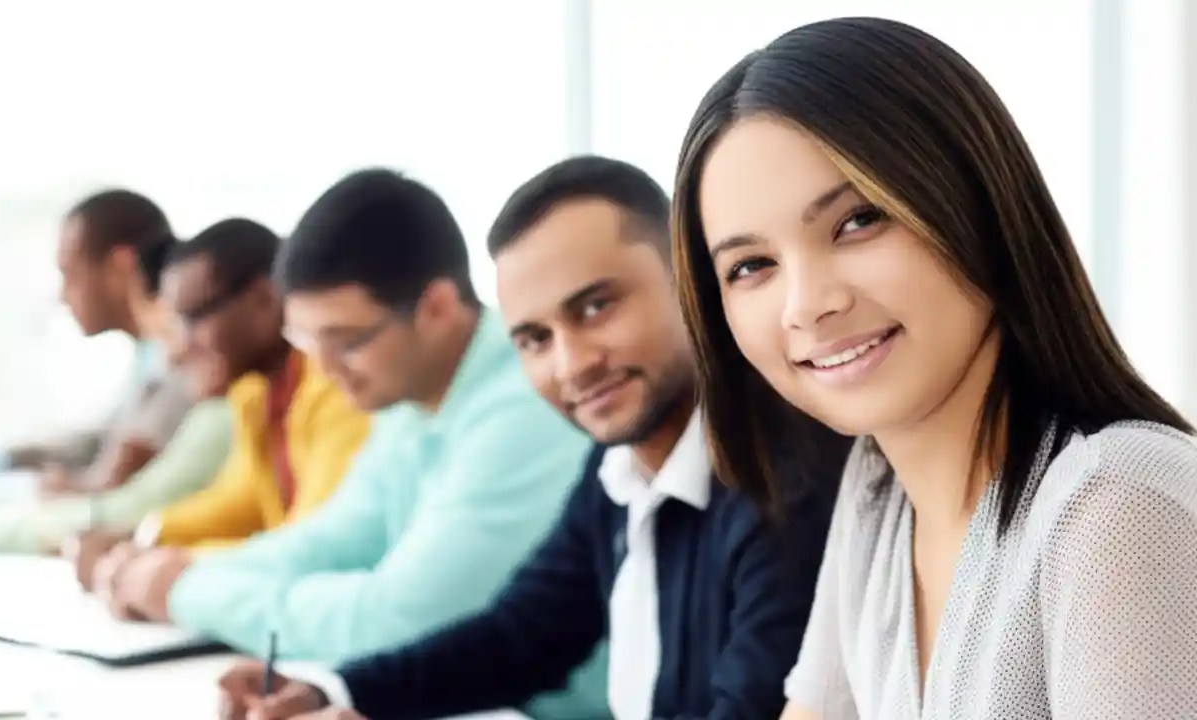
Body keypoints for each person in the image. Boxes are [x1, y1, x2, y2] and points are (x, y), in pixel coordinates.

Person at [670, 17, 1197, 720]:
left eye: (857, 221)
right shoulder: (878, 491)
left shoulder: (1116, 505)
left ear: (975, 201)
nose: (808, 305)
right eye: (752, 266)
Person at [217, 157, 849, 720]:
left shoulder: (786, 480)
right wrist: (334, 691)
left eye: (596, 307)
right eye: (535, 339)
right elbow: (522, 637)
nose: (571, 365)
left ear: (692, 281)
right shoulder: (619, 463)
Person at [93, 170, 592, 671]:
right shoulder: (408, 401)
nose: (326, 373)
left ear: (437, 308)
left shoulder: (522, 408)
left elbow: (396, 618)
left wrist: (186, 592)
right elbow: (334, 538)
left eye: (347, 342)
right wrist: (181, 569)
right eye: (310, 344)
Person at [80, 218, 370, 604]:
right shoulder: (256, 396)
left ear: (265, 299)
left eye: (195, 317)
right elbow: (236, 503)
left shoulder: (338, 391)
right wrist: (144, 535)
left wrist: (174, 567)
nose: (178, 348)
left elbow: (316, 546)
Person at [0, 233, 233, 554]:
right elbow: (99, 450)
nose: (176, 352)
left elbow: (128, 508)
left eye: (188, 317)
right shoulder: (168, 373)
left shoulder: (218, 410)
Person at [0, 190, 193, 494]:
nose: (62, 296)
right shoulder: (148, 357)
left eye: (70, 273)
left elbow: (115, 481)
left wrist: (72, 487)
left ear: (120, 267)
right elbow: (98, 441)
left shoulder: (183, 359)